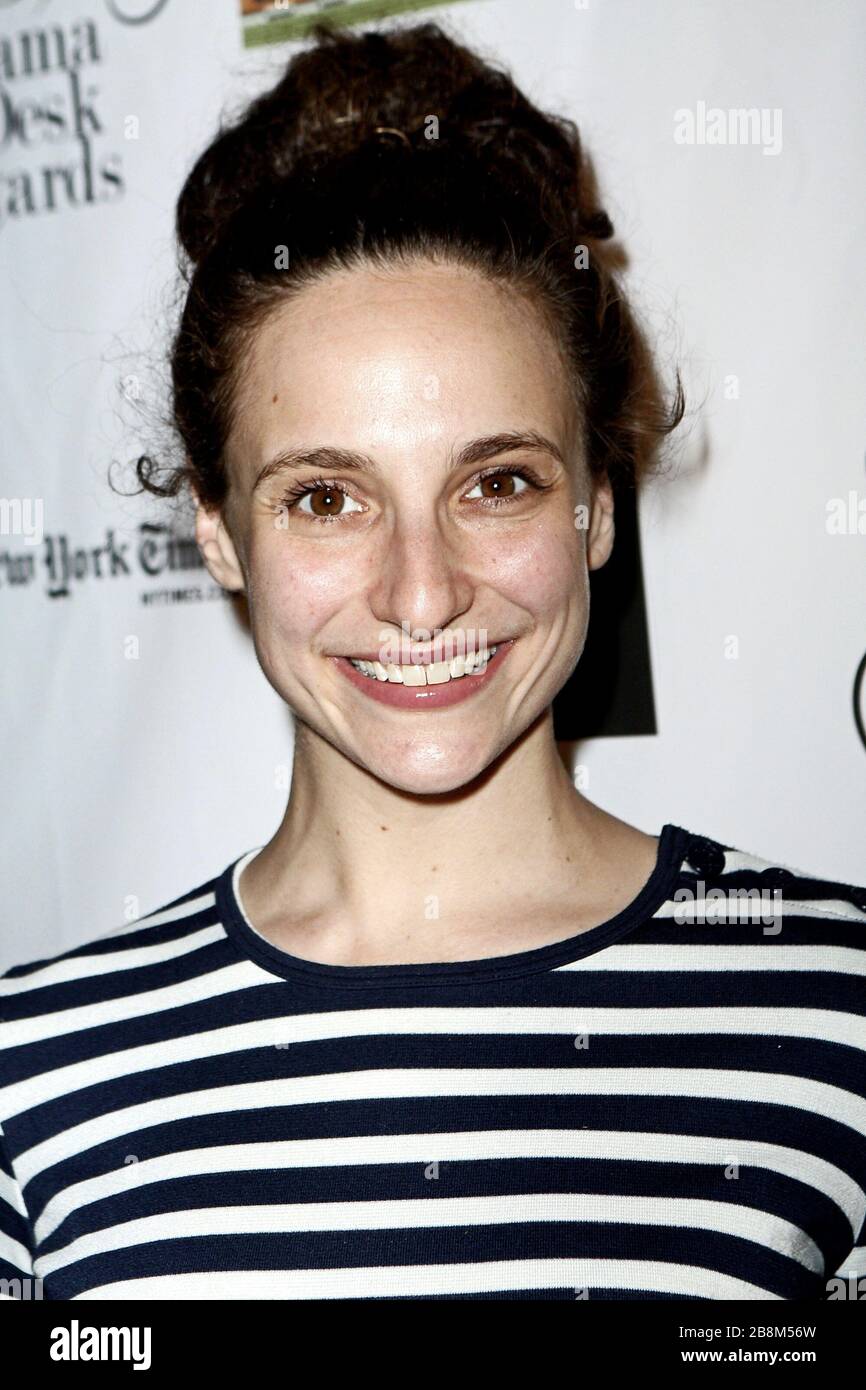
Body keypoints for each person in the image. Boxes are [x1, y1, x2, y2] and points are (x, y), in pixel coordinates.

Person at [2, 21, 865, 1303]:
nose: (422, 592)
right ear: (215, 530)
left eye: (497, 481)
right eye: (323, 499)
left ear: (598, 507)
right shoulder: (37, 1084)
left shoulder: (834, 1015)